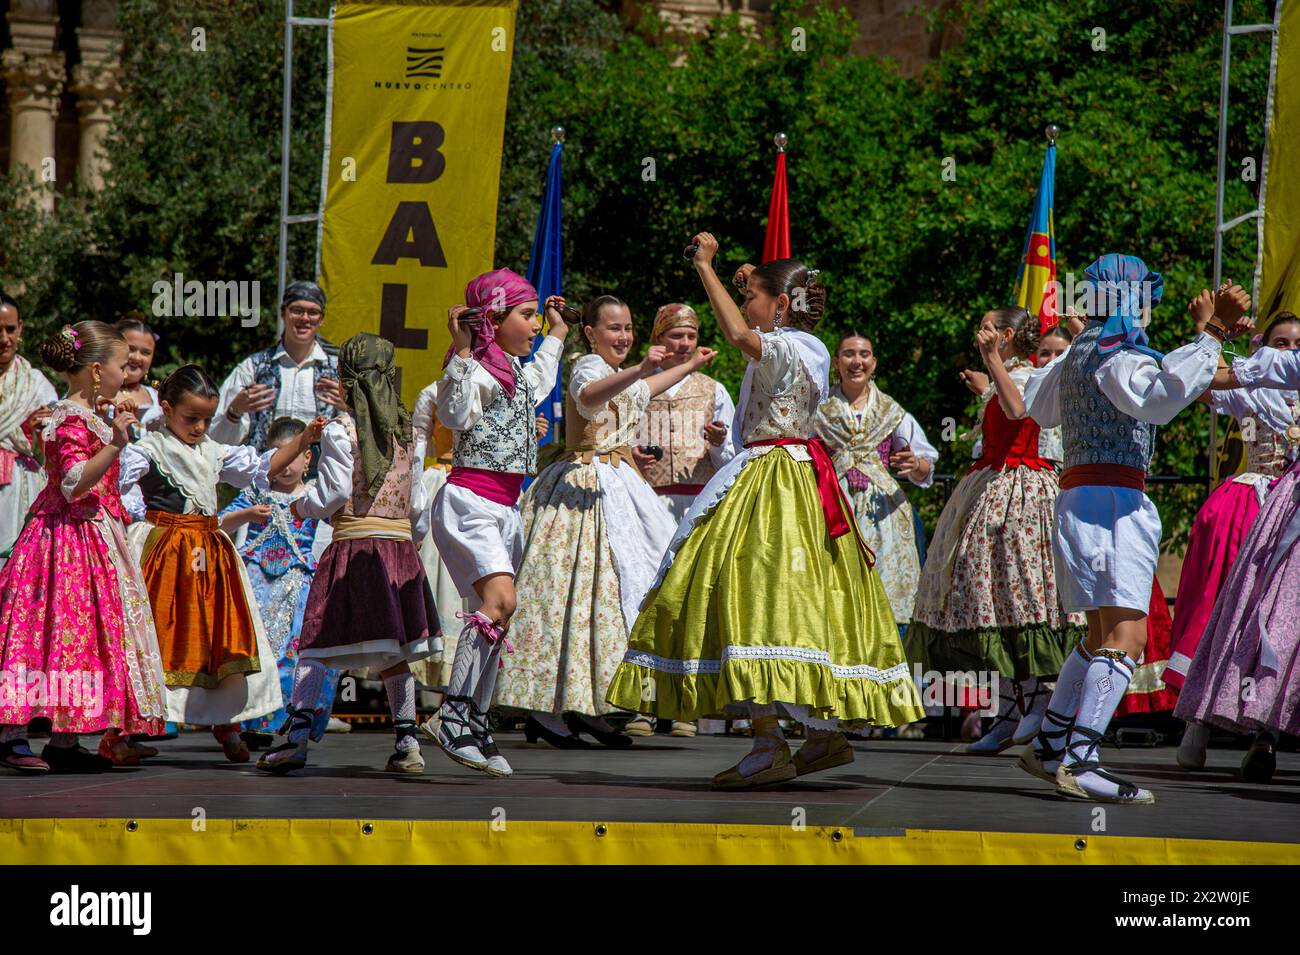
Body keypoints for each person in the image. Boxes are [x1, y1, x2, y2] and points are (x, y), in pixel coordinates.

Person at [606, 235, 925, 789]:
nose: (745, 303)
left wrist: (705, 267)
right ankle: (817, 734)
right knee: (784, 601)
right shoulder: (796, 342)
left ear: (780, 304)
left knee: (750, 598)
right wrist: (745, 282)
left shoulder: (802, 345)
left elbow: (735, 333)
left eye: (754, 296)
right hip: (780, 471)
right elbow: (750, 328)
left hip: (777, 478)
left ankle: (769, 741)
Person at [1020, 255, 1252, 804]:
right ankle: (1081, 761)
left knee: (1100, 633)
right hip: (1112, 502)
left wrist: (1213, 344)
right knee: (1129, 637)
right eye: (1143, 294)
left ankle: (1052, 743)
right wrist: (1213, 331)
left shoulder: (1085, 349)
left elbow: (1040, 406)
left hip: (1080, 495)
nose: (1149, 304)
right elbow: (1161, 398)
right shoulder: (1115, 353)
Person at [497, 296, 713, 749]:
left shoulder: (622, 371)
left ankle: (592, 706)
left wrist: (690, 364)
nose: (624, 336)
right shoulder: (586, 366)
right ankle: (549, 711)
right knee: (570, 600)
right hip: (582, 488)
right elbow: (589, 398)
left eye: (628, 327)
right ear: (591, 333)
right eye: (613, 328)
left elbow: (645, 391)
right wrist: (640, 370)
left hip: (619, 484)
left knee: (611, 602)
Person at [256, 334, 440, 775]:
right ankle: (407, 743)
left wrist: (302, 506)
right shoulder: (407, 433)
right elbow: (417, 508)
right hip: (398, 551)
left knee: (317, 642)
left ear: (347, 378)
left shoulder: (342, 429)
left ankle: (296, 739)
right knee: (393, 651)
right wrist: (404, 539)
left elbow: (335, 492)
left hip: (355, 548)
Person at [907, 307, 1084, 755]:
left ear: (1005, 335)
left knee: (1024, 598)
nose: (979, 332)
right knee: (993, 602)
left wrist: (992, 365)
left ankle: (1041, 702)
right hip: (992, 486)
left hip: (1020, 493)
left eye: (988, 326)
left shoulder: (1027, 376)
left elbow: (1017, 407)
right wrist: (990, 374)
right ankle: (1007, 711)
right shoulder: (1009, 373)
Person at [120, 366, 311, 762]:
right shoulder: (147, 450)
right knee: (157, 638)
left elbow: (263, 466)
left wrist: (305, 439)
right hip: (164, 554)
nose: (201, 426)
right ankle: (125, 730)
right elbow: (118, 490)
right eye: (192, 418)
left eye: (207, 418)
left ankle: (228, 720)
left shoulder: (213, 450)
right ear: (167, 408)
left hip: (211, 555)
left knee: (220, 636)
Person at [0, 321, 167, 773]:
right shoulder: (66, 417)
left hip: (93, 537)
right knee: (42, 630)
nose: (127, 368)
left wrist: (115, 429)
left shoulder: (92, 413)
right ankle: (12, 737)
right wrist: (115, 442)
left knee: (80, 635)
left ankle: (64, 740)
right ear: (96, 370)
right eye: (119, 362)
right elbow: (73, 483)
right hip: (64, 537)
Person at [420, 269, 567, 776]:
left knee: (499, 614)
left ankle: (475, 719)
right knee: (499, 601)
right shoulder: (477, 370)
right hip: (469, 501)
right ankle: (453, 714)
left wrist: (558, 328)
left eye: (534, 316)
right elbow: (456, 416)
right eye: (525, 316)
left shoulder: (518, 373)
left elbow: (546, 372)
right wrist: (461, 349)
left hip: (505, 507)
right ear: (494, 319)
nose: (534, 326)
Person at [1172, 310, 1300, 782]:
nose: (1290, 350)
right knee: (1229, 607)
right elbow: (1199, 384)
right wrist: (1212, 333)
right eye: (1281, 342)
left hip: (1289, 506)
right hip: (1253, 503)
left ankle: (1265, 734)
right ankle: (1197, 721)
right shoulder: (1256, 387)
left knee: (1280, 622)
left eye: (1296, 343)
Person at [219, 417, 340, 747]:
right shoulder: (254, 493)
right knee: (258, 651)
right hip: (256, 583)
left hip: (300, 584)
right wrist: (245, 516)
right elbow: (217, 524)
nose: (285, 467)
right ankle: (253, 721)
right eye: (277, 456)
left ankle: (292, 719)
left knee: (297, 652)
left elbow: (345, 521)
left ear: (307, 459)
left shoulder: (316, 497)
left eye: (293, 457)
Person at [815, 330, 937, 635]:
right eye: (849, 354)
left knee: (885, 595)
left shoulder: (892, 412)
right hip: (832, 507)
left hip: (883, 512)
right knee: (833, 596)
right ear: (836, 361)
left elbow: (924, 468)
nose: (857, 361)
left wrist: (914, 464)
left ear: (874, 362)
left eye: (864, 354)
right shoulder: (818, 411)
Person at [210, 280, 348, 453]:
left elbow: (364, 439)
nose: (305, 318)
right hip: (262, 475)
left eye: (313, 312)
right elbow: (215, 441)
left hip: (318, 477)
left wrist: (350, 408)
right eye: (297, 310)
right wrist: (234, 411)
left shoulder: (339, 371)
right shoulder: (253, 368)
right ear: (283, 313)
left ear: (322, 319)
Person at [633, 303, 736, 523]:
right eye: (677, 335)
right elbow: (616, 441)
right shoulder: (638, 387)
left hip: (700, 501)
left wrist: (719, 442)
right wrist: (632, 457)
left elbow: (734, 454)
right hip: (648, 501)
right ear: (659, 338)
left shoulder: (713, 389)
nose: (685, 344)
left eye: (692, 336)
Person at [0, 292, 57, 567]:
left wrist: (39, 433)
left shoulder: (35, 384)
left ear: (20, 328)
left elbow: (55, 448)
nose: (4, 339)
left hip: (22, 487)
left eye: (10, 329)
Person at [114, 313, 163, 429]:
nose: (137, 357)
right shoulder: (93, 393)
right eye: (131, 349)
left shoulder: (158, 397)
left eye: (145, 353)